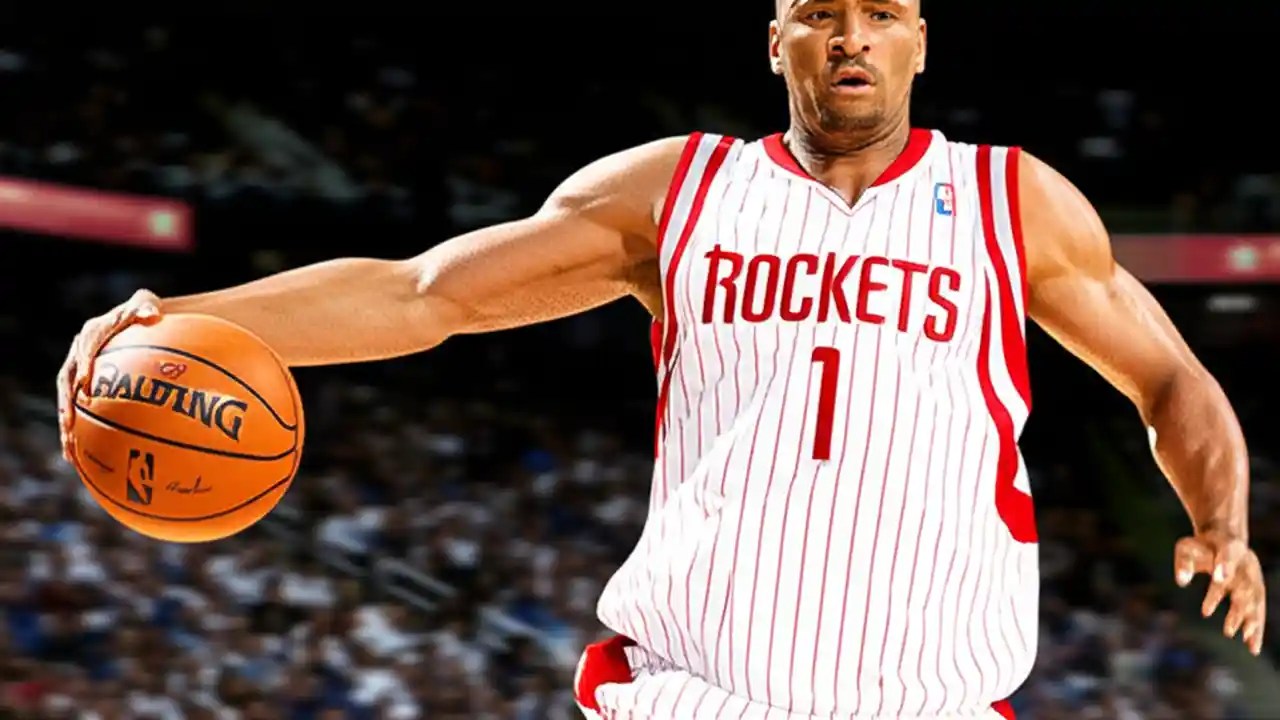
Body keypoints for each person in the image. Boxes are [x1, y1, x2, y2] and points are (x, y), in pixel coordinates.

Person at [58, 0, 1266, 718]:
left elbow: (1171, 381)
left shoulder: (1014, 202)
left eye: (880, 14)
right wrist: (180, 313)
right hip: (696, 696)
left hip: (931, 702)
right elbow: (423, 295)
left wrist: (1220, 523)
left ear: (919, 43)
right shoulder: (676, 192)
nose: (849, 37)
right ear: (774, 39)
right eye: (818, 11)